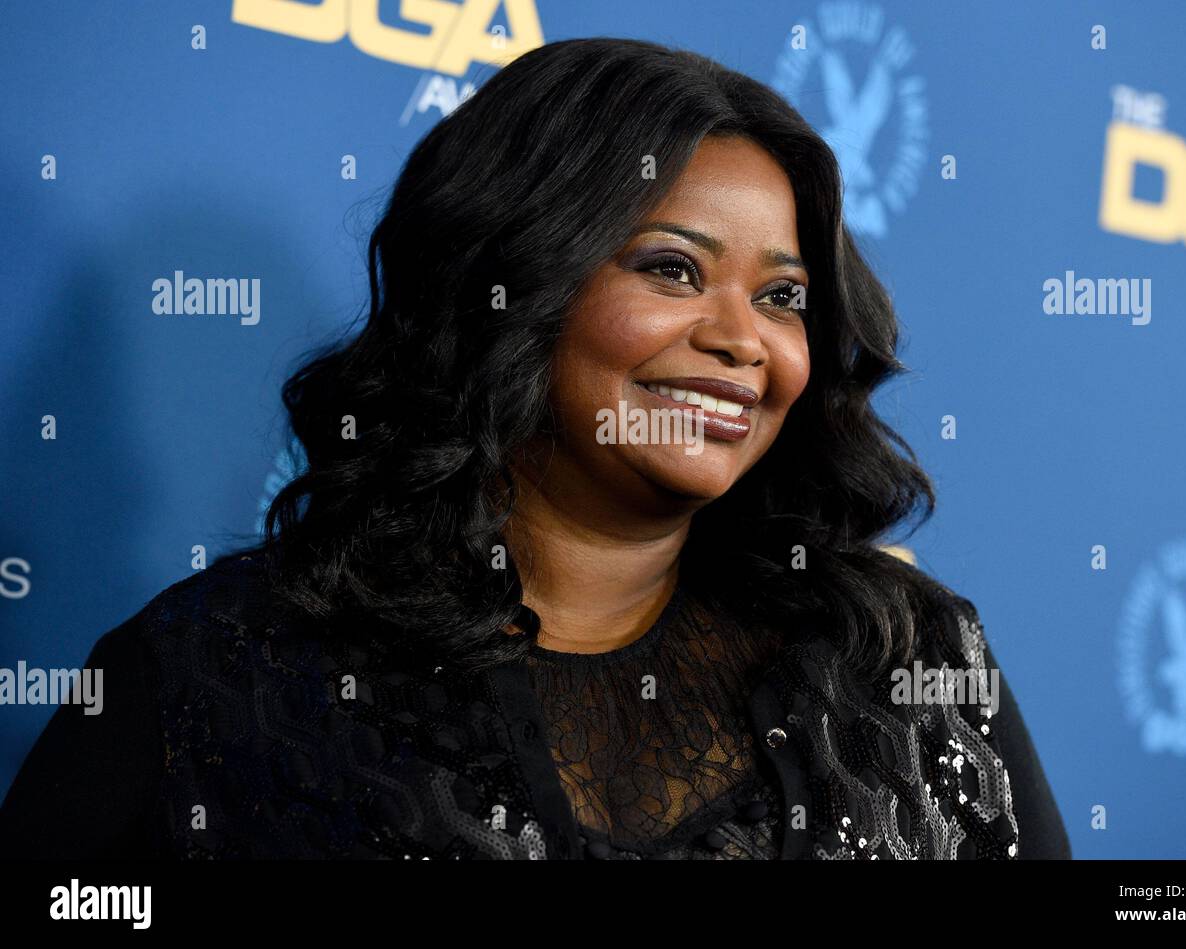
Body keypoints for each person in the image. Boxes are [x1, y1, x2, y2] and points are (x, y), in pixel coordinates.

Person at [0, 37, 1069, 860]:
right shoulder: (218, 671)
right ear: (510, 285)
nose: (742, 339)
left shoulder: (905, 661)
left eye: (783, 296)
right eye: (671, 269)